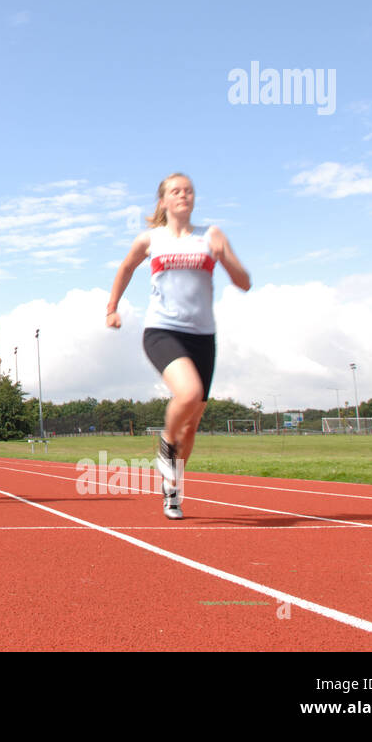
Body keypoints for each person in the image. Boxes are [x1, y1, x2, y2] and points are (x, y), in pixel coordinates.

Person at [106, 172, 250, 519]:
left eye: (188, 190)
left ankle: (172, 490)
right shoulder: (150, 239)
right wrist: (112, 308)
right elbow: (125, 268)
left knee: (192, 424)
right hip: (162, 331)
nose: (183, 195)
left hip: (202, 336)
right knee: (188, 393)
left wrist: (225, 258)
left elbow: (244, 282)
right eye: (175, 190)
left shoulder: (211, 236)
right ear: (163, 201)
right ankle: (165, 447)